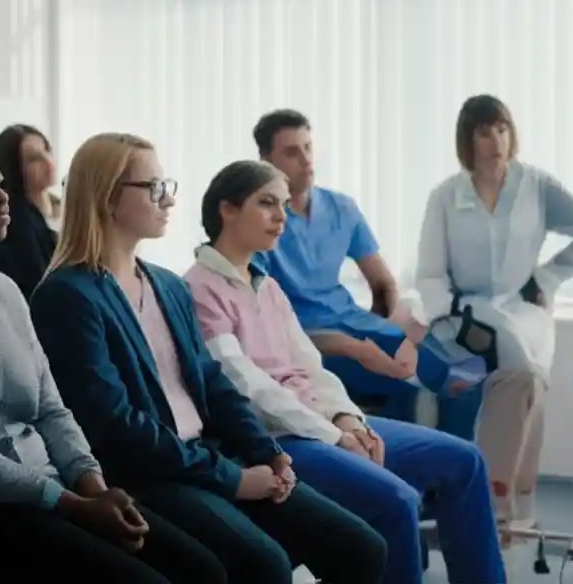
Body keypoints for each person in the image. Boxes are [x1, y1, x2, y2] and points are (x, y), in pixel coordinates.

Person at [0, 125, 226, 583]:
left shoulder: (7, 293)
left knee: (203, 570)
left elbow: (51, 408)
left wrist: (95, 486)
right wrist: (70, 503)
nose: (0, 196)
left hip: (53, 491)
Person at [30, 132, 388, 584]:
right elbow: (115, 425)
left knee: (361, 547)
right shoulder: (68, 295)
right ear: (108, 197)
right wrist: (232, 479)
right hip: (148, 474)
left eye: (168, 186)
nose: (168, 200)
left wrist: (267, 452)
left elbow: (213, 381)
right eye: (154, 188)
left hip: (207, 456)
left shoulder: (167, 285)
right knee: (265, 566)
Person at [185, 159, 507, 584]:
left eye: (283, 204)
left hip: (321, 421)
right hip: (275, 438)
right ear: (227, 209)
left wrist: (346, 417)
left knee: (464, 461)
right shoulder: (198, 289)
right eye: (267, 204)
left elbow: (309, 365)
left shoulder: (267, 284)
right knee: (397, 501)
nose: (282, 217)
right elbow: (248, 388)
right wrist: (335, 436)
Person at [410, 95, 573, 529]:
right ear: (468, 139)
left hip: (527, 309)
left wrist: (550, 277)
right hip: (468, 316)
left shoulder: (536, 186)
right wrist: (451, 313)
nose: (495, 139)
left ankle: (508, 501)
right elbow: (428, 275)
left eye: (501, 128)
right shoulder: (446, 196)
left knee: (529, 384)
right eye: (484, 131)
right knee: (524, 377)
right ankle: (504, 503)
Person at [252, 109, 421, 421]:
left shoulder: (341, 207)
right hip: (310, 343)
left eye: (308, 148)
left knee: (448, 368)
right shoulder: (259, 220)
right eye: (292, 152)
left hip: (354, 322)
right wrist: (352, 347)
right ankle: (385, 459)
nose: (306, 160)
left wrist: (379, 331)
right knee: (408, 384)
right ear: (266, 160)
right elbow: (262, 322)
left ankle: (462, 465)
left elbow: (383, 283)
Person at [0, 123, 62, 298]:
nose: (48, 161)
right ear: (15, 169)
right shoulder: (14, 224)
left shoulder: (67, 208)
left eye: (47, 150)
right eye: (34, 159)